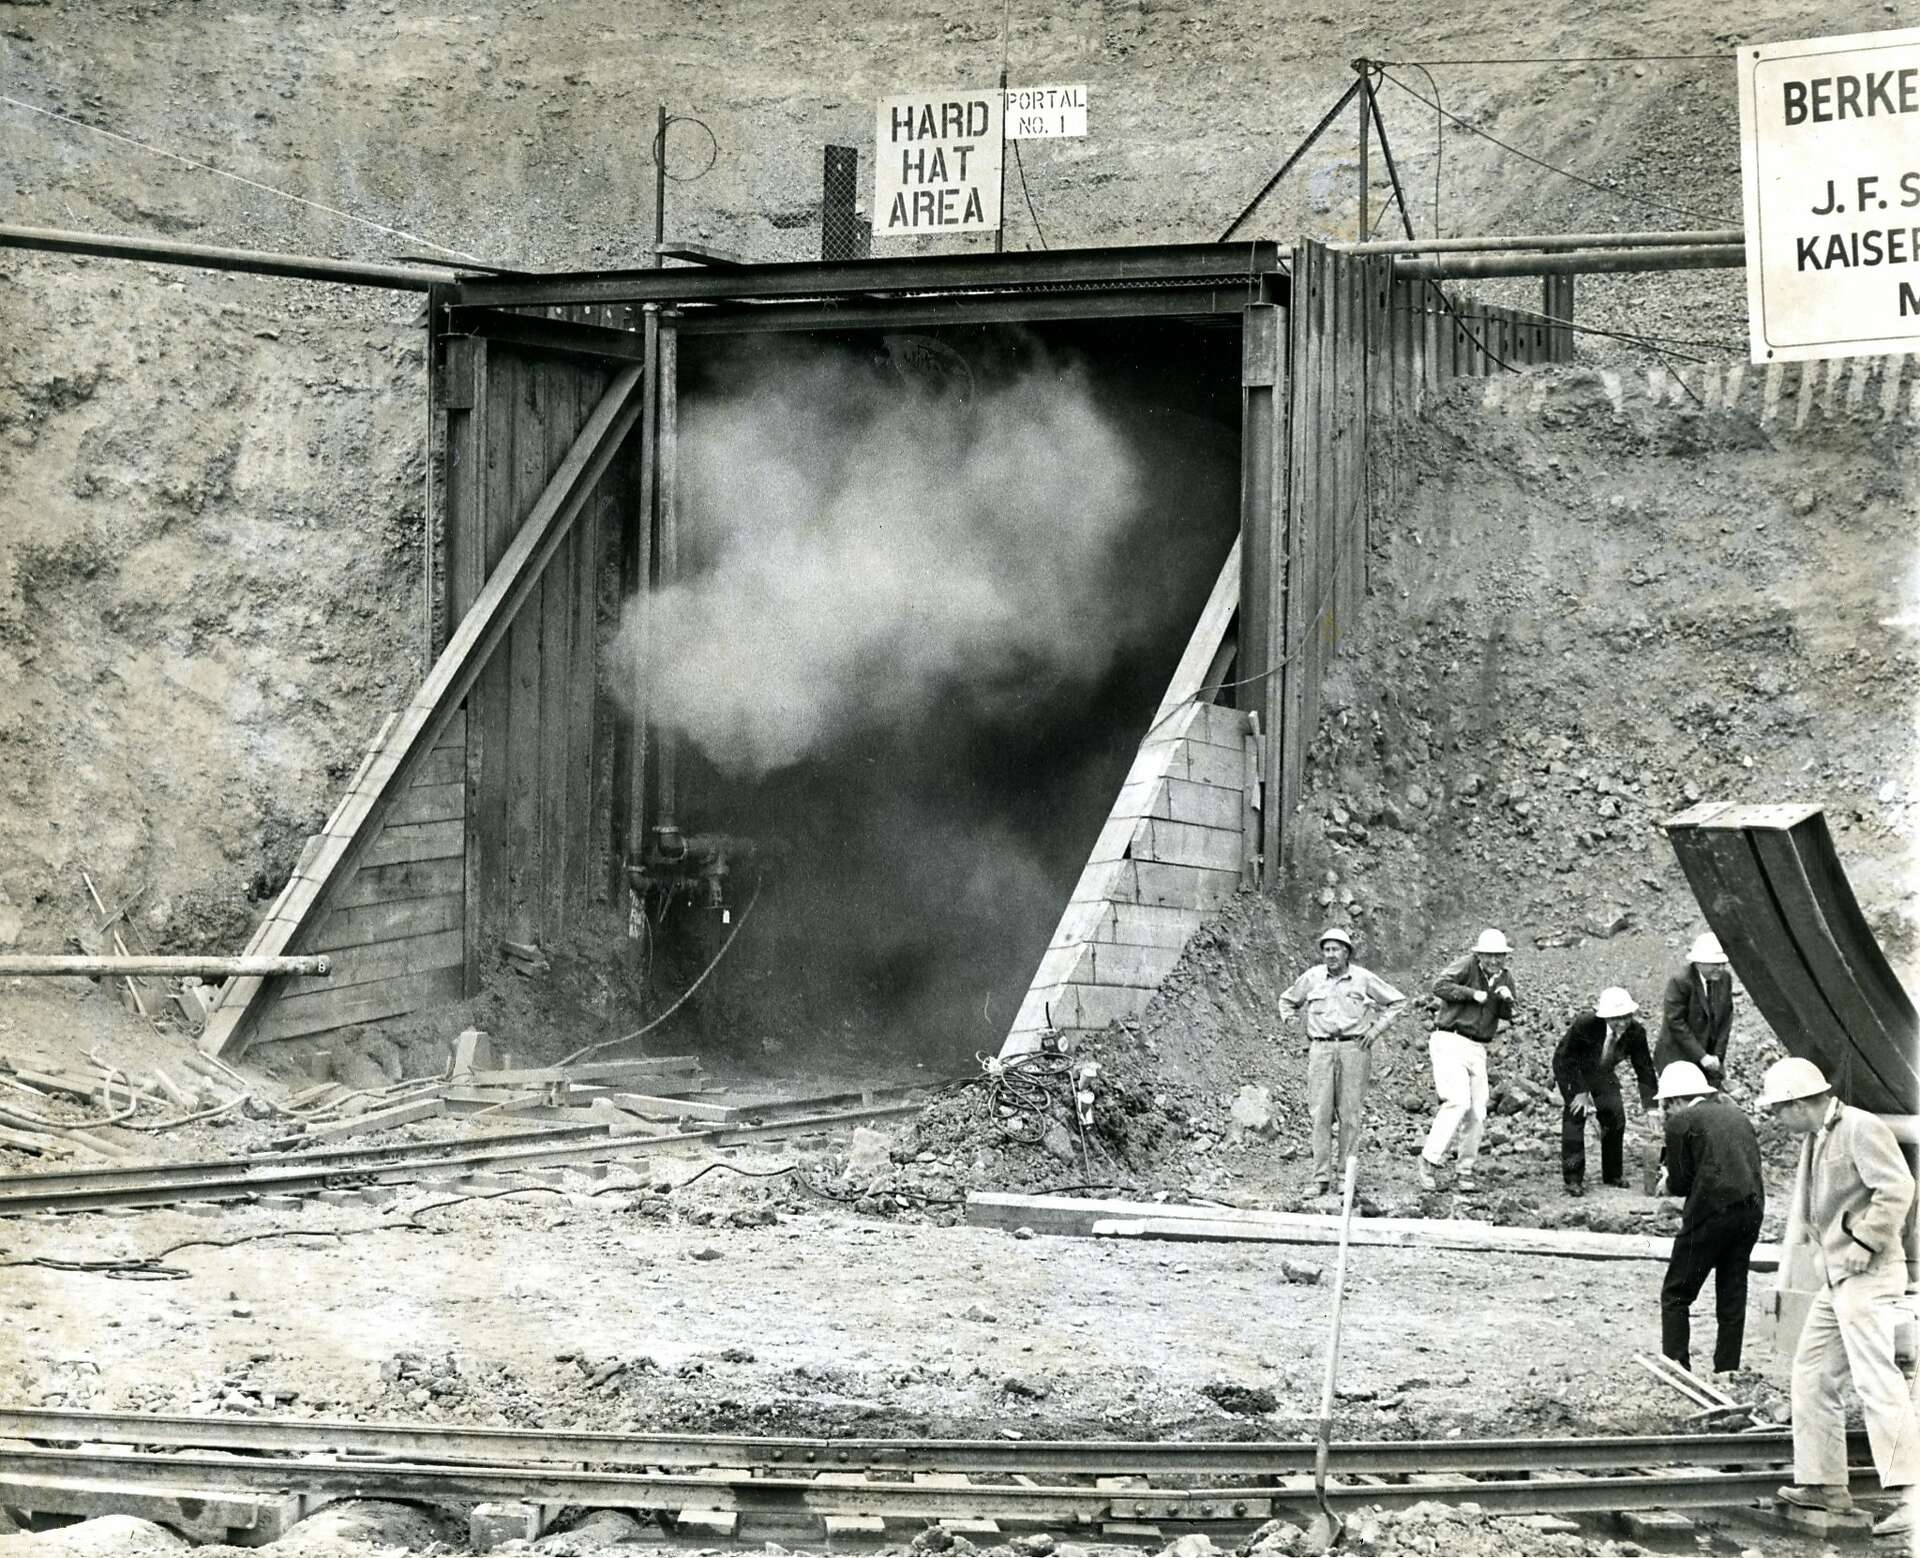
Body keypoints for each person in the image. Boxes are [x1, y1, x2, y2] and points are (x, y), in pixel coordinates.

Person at [1764, 1056, 1918, 1538]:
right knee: (1811, 1370)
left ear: (1798, 1103)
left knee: (1878, 1382)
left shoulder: (1859, 1128)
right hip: (1838, 1279)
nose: (1776, 1119)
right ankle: (1823, 1483)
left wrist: (1866, 1242)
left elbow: (1897, 1187)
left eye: (1778, 1110)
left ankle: (1910, 1495)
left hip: (1868, 1274)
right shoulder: (1818, 1136)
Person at [1275, 927, 1407, 1196]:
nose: (1330, 955)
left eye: (1336, 949)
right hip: (1321, 1050)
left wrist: (1375, 1030)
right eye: (1326, 950)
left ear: (1347, 952)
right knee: (1320, 1114)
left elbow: (1397, 1001)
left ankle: (1346, 1177)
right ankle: (1320, 1178)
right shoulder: (1312, 978)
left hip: (1354, 1049)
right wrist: (1293, 1023)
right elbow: (1287, 1001)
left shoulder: (1363, 979)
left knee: (1350, 1115)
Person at [1655, 1060, 1765, 1376]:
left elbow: (1680, 1181)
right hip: (1751, 1211)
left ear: (1674, 1100)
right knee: (1732, 1293)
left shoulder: (1681, 1121)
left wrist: (1667, 1182)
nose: (1666, 1112)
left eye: (1666, 1105)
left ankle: (1677, 1366)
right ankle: (1727, 1369)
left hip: (1710, 1212)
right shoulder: (1735, 1114)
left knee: (1676, 1294)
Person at [1417, 929, 1516, 1194]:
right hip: (1450, 1038)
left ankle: (1465, 1170)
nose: (1495, 961)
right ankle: (1429, 1161)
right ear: (1480, 954)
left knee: (1477, 1111)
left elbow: (1510, 1014)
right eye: (1490, 956)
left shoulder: (1505, 977)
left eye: (1500, 956)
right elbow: (1439, 986)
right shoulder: (1467, 965)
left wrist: (1506, 998)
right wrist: (1473, 994)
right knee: (1457, 1101)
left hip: (1477, 1046)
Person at [1553, 987, 1657, 1196]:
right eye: (1615, 1018)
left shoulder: (1636, 1032)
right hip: (1576, 1072)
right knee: (1575, 1115)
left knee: (1616, 1116)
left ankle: (1612, 1174)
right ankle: (1573, 1178)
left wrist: (1651, 1108)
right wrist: (1579, 1092)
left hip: (1603, 1073)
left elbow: (1644, 1069)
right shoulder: (1585, 1025)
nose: (1622, 1023)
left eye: (1626, 1017)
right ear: (1605, 1016)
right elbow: (1563, 1059)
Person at [1656, 932, 1734, 1088]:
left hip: (1709, 1059)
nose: (1720, 968)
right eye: (1715, 964)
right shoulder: (1680, 981)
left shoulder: (1725, 979)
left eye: (1722, 964)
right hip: (1678, 1056)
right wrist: (1701, 1056)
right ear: (1699, 963)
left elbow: (1726, 1018)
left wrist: (1717, 1056)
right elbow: (1675, 1022)